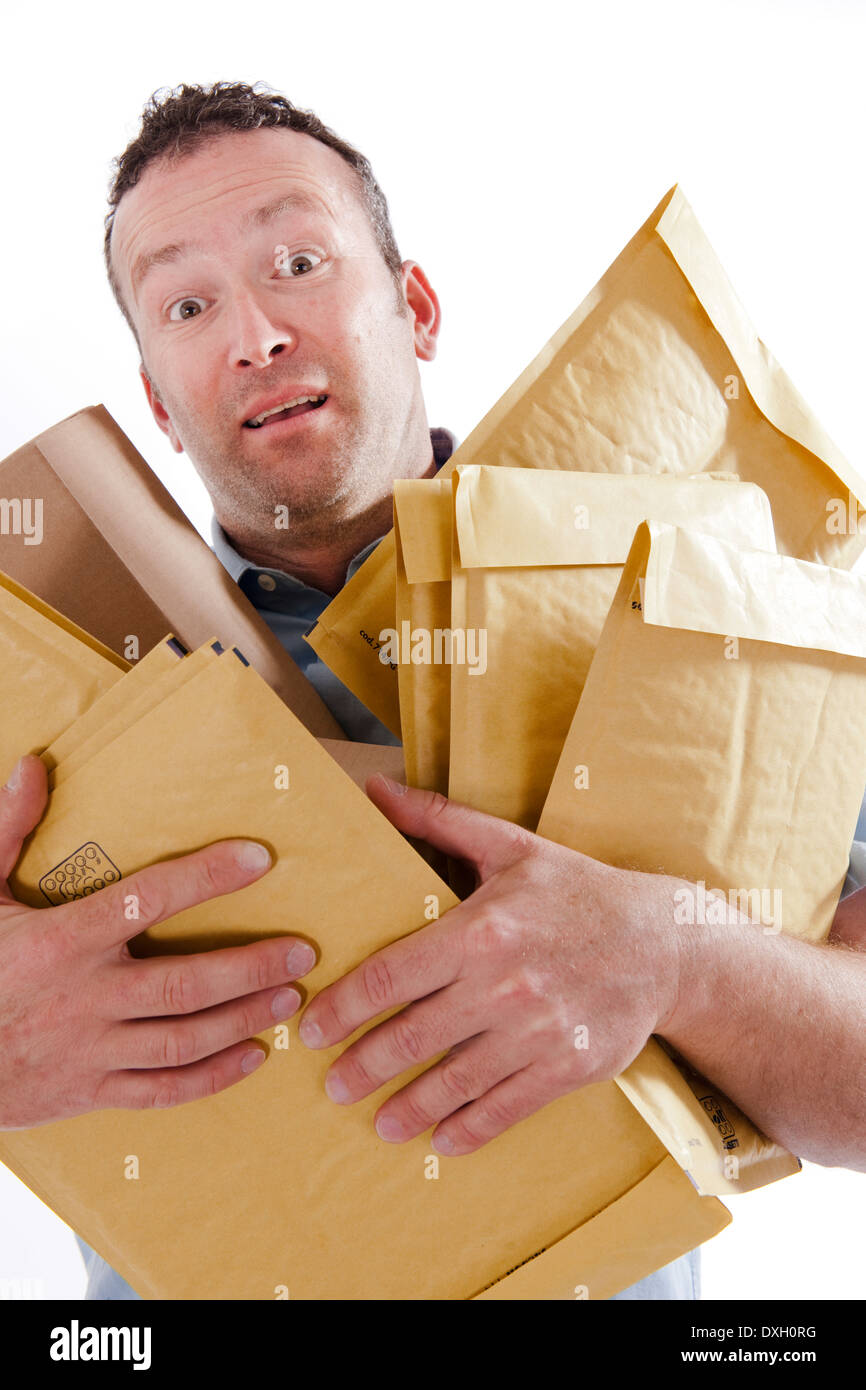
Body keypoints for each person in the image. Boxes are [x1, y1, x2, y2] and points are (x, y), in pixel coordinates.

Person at [3, 82, 865, 1304]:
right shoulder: (32, 685)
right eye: (187, 303)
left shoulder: (713, 607)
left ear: (414, 308)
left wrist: (673, 960)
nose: (253, 335)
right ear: (155, 394)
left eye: (296, 261)